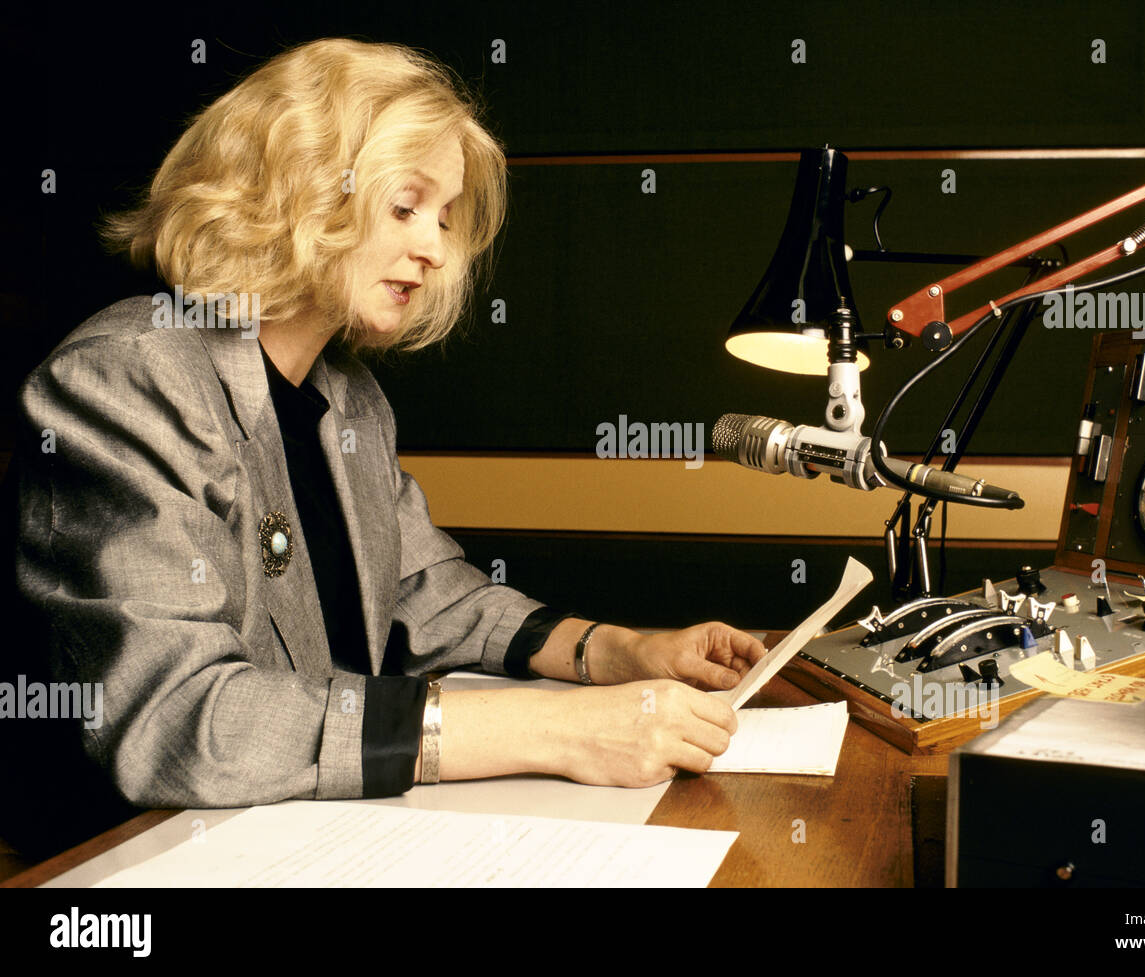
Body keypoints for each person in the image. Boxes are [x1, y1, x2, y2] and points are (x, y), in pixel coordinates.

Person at [0, 37, 763, 859]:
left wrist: (620, 649)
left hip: (302, 839)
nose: (436, 249)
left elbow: (430, 593)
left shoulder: (348, 395)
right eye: (407, 206)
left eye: (444, 216)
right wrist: (553, 728)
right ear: (295, 189)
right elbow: (177, 713)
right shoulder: (127, 373)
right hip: (136, 857)